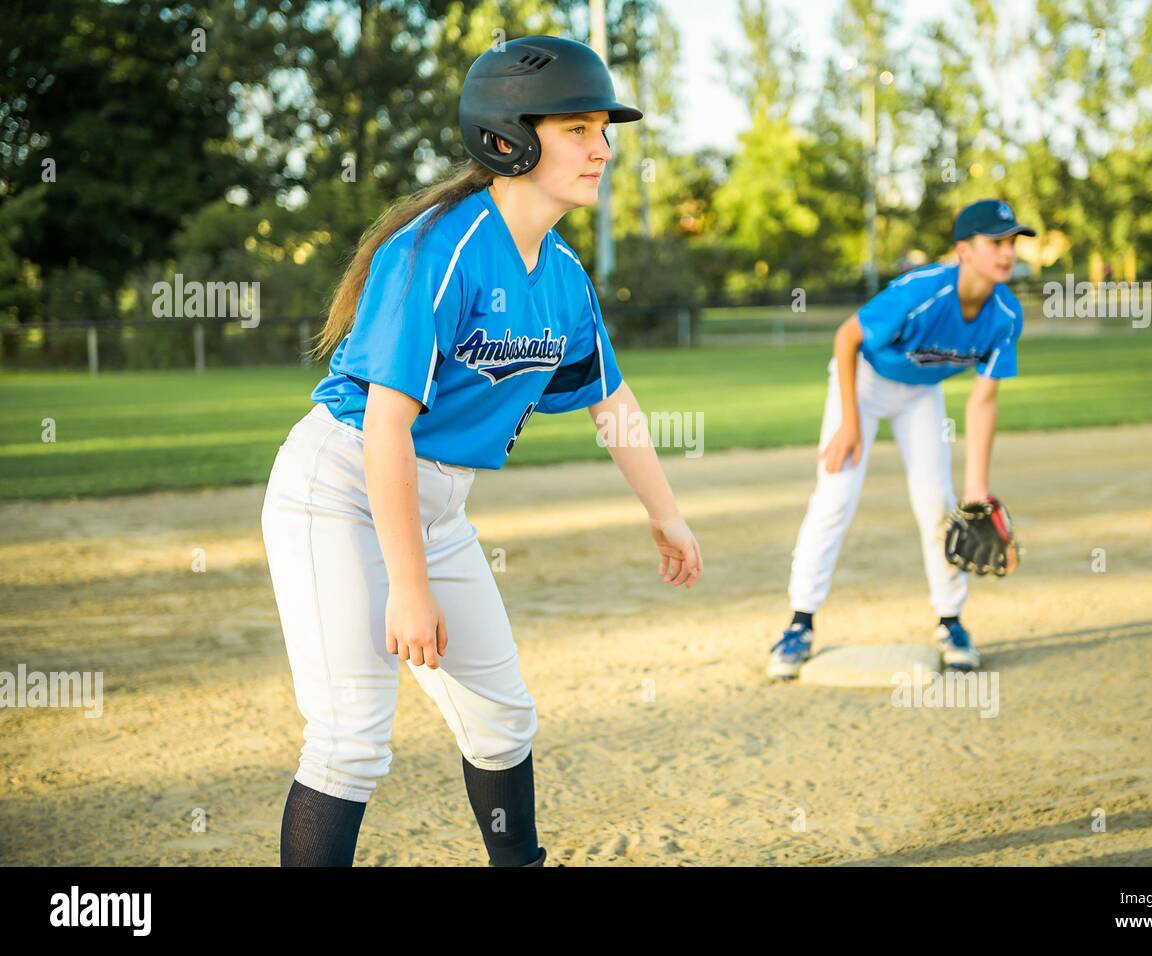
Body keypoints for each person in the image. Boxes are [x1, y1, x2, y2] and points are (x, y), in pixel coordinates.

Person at [260, 35, 703, 867]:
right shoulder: (440, 250)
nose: (602, 147)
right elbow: (387, 428)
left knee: (502, 720)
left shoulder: (563, 274)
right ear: (511, 138)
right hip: (341, 490)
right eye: (578, 128)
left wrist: (667, 513)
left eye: (604, 128)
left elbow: (611, 400)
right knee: (351, 739)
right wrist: (410, 589)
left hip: (434, 508)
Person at [767, 199, 1031, 680]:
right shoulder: (922, 291)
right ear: (963, 251)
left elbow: (982, 402)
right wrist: (849, 421)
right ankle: (799, 623)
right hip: (863, 385)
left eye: (1012, 242)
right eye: (996, 242)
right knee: (836, 498)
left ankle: (951, 623)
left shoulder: (1006, 315)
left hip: (920, 396)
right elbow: (846, 338)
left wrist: (977, 488)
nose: (1007, 252)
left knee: (941, 503)